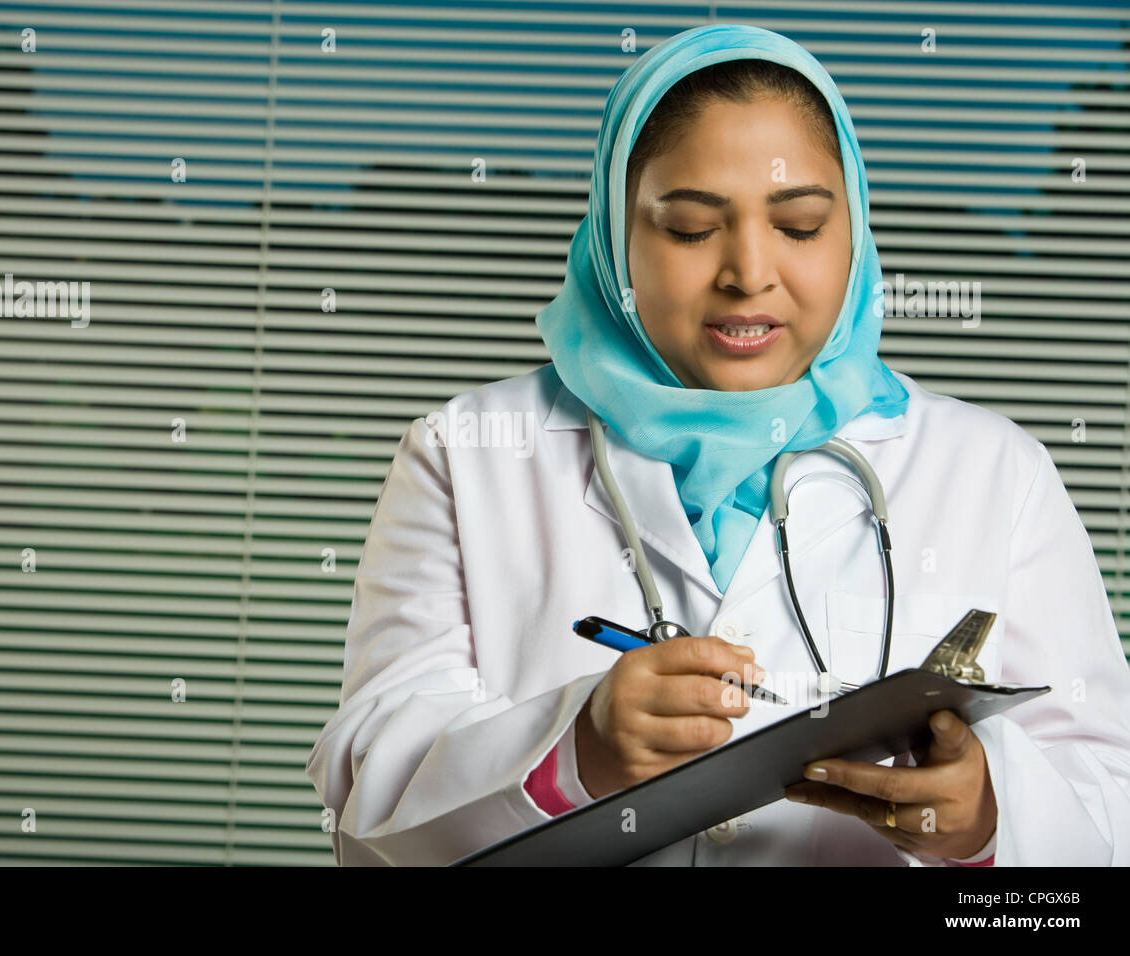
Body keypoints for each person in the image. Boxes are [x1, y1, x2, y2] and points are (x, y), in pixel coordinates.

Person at [305, 24, 1130, 866]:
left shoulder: (995, 472)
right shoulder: (466, 455)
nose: (748, 271)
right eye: (692, 228)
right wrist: (575, 751)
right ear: (615, 235)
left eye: (801, 225)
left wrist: (988, 815)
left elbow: (1110, 798)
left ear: (856, 234)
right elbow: (371, 802)